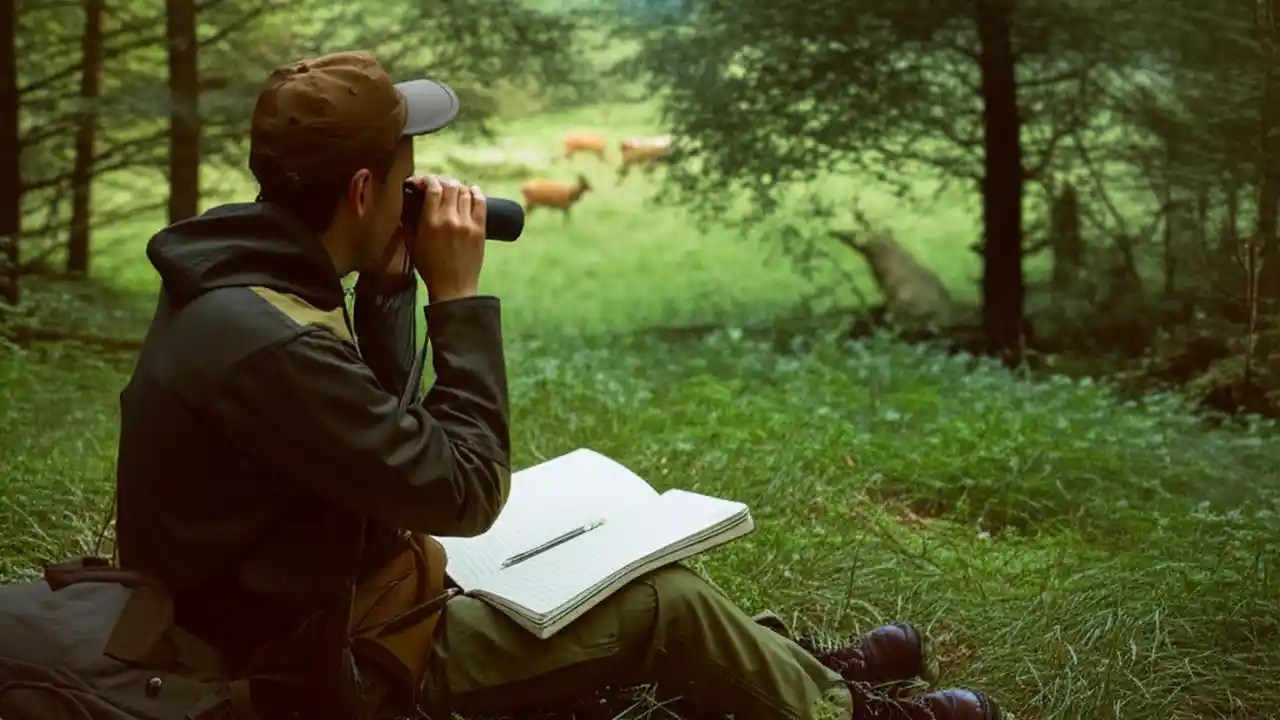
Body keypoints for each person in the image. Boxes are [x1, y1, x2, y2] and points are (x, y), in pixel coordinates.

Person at [111, 50, 1002, 720]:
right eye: (404, 167)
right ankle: (846, 712)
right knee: (664, 600)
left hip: (316, 592)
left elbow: (367, 433)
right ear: (358, 191)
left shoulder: (245, 282)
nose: (419, 184)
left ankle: (788, 665)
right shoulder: (271, 344)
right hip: (303, 671)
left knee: (615, 544)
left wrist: (387, 287)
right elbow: (462, 490)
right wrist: (455, 298)